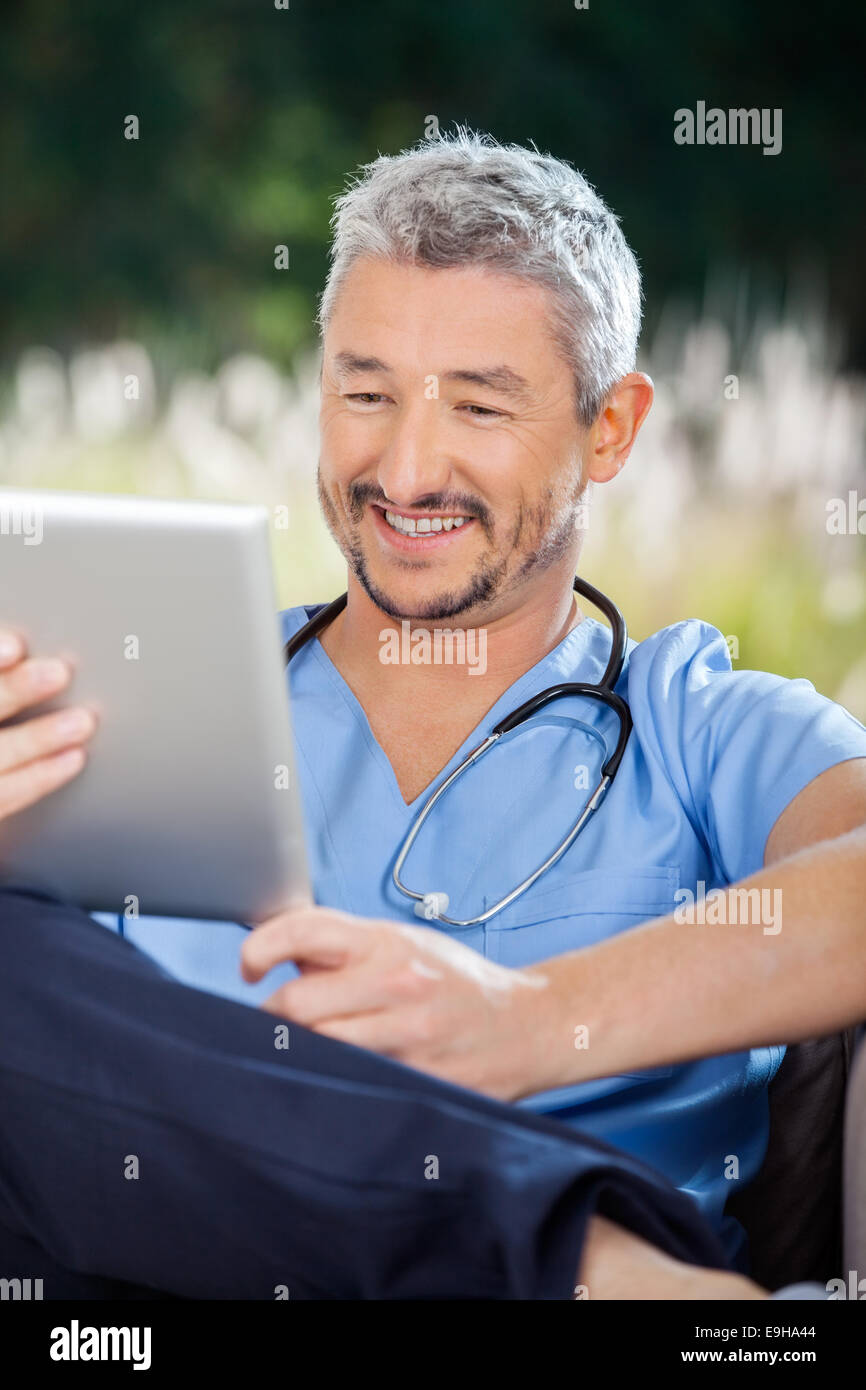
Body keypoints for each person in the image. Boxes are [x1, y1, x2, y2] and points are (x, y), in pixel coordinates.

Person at [1, 130, 864, 1298]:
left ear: (607, 427)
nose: (404, 471)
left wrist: (524, 1022)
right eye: (365, 393)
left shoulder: (701, 727)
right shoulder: (138, 687)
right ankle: (576, 1251)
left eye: (477, 407)